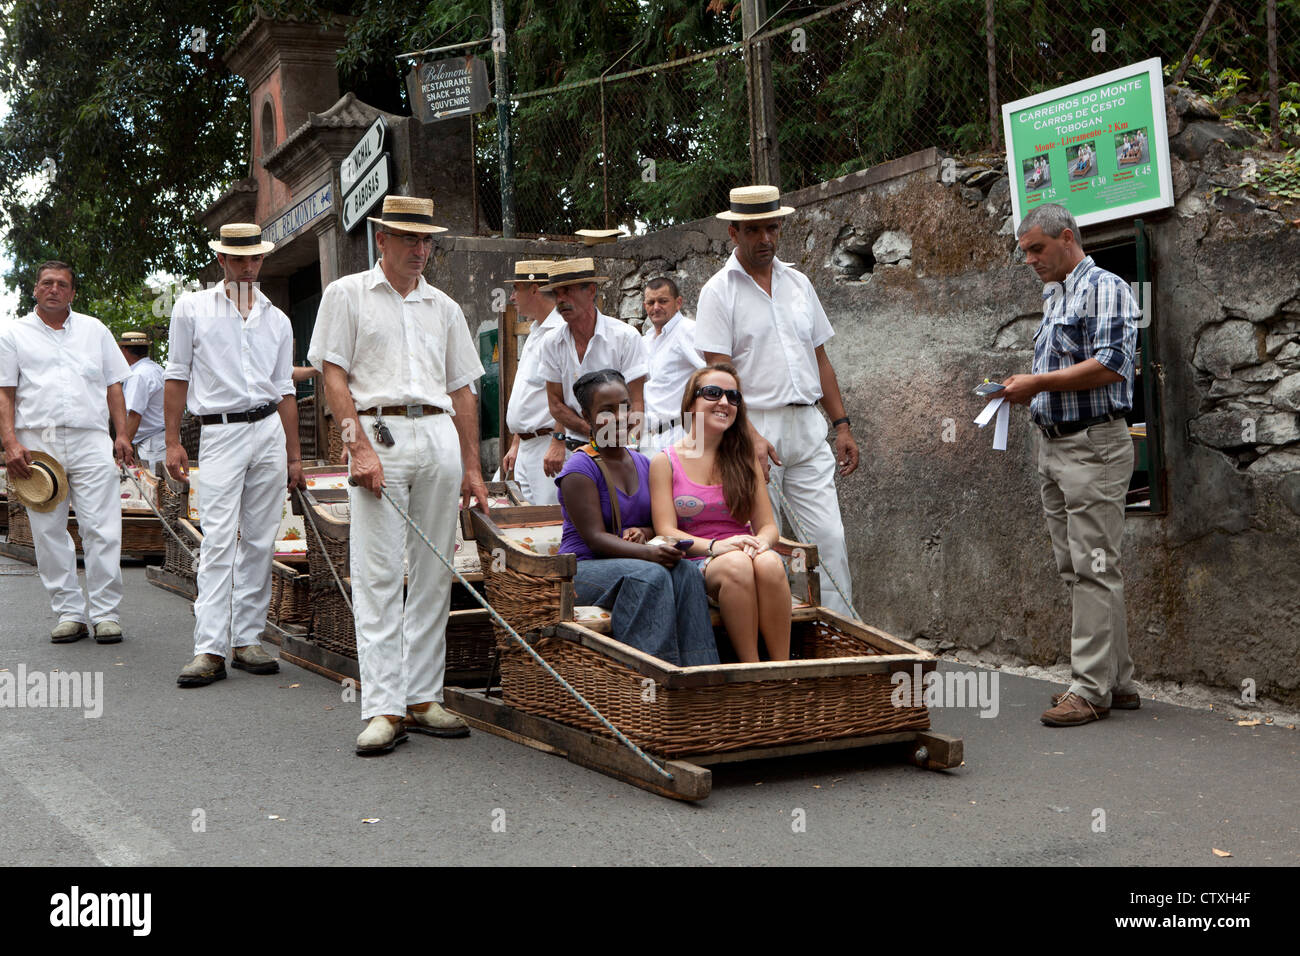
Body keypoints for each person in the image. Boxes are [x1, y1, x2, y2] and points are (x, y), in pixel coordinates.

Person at [308, 195, 487, 757]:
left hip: (437, 435)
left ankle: (421, 697)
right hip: (378, 431)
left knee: (435, 569)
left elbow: (462, 389)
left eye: (427, 239)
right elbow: (333, 376)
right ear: (380, 240)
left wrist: (474, 466)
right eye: (408, 238)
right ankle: (383, 706)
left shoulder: (446, 307)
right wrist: (356, 448)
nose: (419, 249)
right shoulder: (347, 295)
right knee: (379, 572)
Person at [1000, 203, 1139, 728]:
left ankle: (1089, 691)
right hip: (1055, 446)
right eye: (1025, 252)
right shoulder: (1055, 292)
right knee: (1079, 567)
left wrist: (1035, 384)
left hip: (1093, 445)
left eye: (1037, 249)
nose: (1031, 260)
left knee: (1094, 566)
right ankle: (1117, 680)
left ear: (1066, 237)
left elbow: (1111, 365)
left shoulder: (1105, 286)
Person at [695, 184, 859, 619]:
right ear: (734, 233)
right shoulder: (718, 291)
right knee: (765, 548)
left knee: (829, 540)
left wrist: (841, 424)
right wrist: (748, 436)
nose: (765, 239)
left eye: (772, 228)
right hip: (753, 427)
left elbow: (820, 358)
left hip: (808, 425)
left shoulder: (799, 283)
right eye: (754, 231)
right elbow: (719, 376)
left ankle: (839, 636)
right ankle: (781, 651)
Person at [165, 223, 304, 687]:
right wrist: (171, 440)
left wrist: (295, 456)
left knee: (262, 538)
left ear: (262, 260)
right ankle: (209, 647)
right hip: (219, 432)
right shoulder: (192, 308)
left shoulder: (277, 319)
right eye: (238, 258)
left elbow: (284, 389)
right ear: (222, 260)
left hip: (267, 430)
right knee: (219, 538)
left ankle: (246, 639)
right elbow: (177, 376)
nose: (247, 266)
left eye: (255, 258)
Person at [0, 261, 132, 643]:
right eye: (47, 283)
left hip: (91, 438)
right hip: (37, 444)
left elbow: (114, 387)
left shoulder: (95, 330)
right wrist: (10, 442)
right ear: (35, 290)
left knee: (102, 527)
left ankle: (106, 613)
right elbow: (5, 392)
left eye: (62, 284)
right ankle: (69, 612)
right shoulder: (13, 334)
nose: (54, 289)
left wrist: (121, 434)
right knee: (47, 531)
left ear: (73, 293)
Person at [556, 369, 718, 667]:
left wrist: (644, 531)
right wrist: (648, 552)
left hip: (631, 560)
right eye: (606, 411)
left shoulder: (644, 462)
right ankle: (654, 677)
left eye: (625, 407)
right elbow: (595, 539)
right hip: (579, 571)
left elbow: (660, 522)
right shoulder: (580, 468)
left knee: (686, 573)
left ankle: (701, 672)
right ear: (587, 416)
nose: (620, 418)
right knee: (650, 575)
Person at [649, 364, 790, 662]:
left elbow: (767, 526)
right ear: (691, 403)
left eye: (733, 396)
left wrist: (760, 544)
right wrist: (717, 547)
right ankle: (752, 671)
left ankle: (783, 667)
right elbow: (666, 531)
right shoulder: (665, 462)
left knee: (770, 565)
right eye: (713, 393)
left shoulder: (744, 458)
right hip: (696, 559)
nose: (724, 402)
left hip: (744, 551)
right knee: (737, 564)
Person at [536, 257, 649, 479]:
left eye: (567, 291)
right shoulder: (551, 342)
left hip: (622, 447)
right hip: (574, 447)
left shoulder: (624, 337)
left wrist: (631, 449)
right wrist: (594, 434)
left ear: (591, 291)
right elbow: (555, 404)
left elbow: (636, 402)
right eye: (557, 293)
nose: (561, 300)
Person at [500, 259, 564, 504]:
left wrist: (558, 440)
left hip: (548, 444)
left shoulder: (559, 333)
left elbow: (567, 395)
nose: (513, 296)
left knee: (549, 523)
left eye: (517, 289)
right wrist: (517, 442)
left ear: (535, 289)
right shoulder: (536, 331)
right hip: (528, 446)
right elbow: (530, 395)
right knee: (527, 524)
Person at [638, 276, 705, 456]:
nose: (656, 307)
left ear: (678, 303)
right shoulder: (645, 342)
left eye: (663, 301)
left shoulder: (688, 331)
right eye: (651, 302)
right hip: (649, 438)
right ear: (645, 307)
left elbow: (713, 373)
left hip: (682, 431)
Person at [118, 330, 166, 472]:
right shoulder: (157, 369)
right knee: (165, 488)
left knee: (153, 487)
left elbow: (134, 414)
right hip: (161, 439)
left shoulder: (138, 375)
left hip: (152, 444)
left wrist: (125, 447)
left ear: (124, 351)